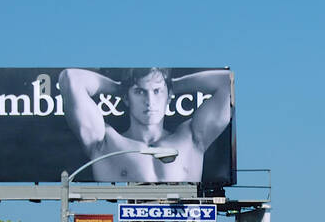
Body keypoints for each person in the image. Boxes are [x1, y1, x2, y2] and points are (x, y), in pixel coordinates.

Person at [58, 67, 231, 183]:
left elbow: (227, 81)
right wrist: (120, 88)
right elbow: (71, 78)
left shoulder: (191, 139)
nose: (150, 101)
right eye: (140, 91)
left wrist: (172, 85)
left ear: (168, 96)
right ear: (127, 97)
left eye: (157, 92)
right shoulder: (105, 142)